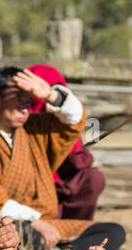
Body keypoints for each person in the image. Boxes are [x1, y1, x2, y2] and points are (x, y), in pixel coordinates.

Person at [0, 66, 126, 250]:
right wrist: (36, 221)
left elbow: (75, 120)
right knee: (17, 231)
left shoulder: (35, 127)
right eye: (17, 98)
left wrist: (50, 94)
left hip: (48, 224)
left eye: (28, 99)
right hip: (11, 225)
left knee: (113, 232)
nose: (25, 106)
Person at [28, 64, 104, 220]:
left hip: (62, 186)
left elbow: (76, 161)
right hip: (33, 192)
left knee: (93, 178)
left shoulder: (62, 119)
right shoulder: (23, 120)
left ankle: (75, 233)